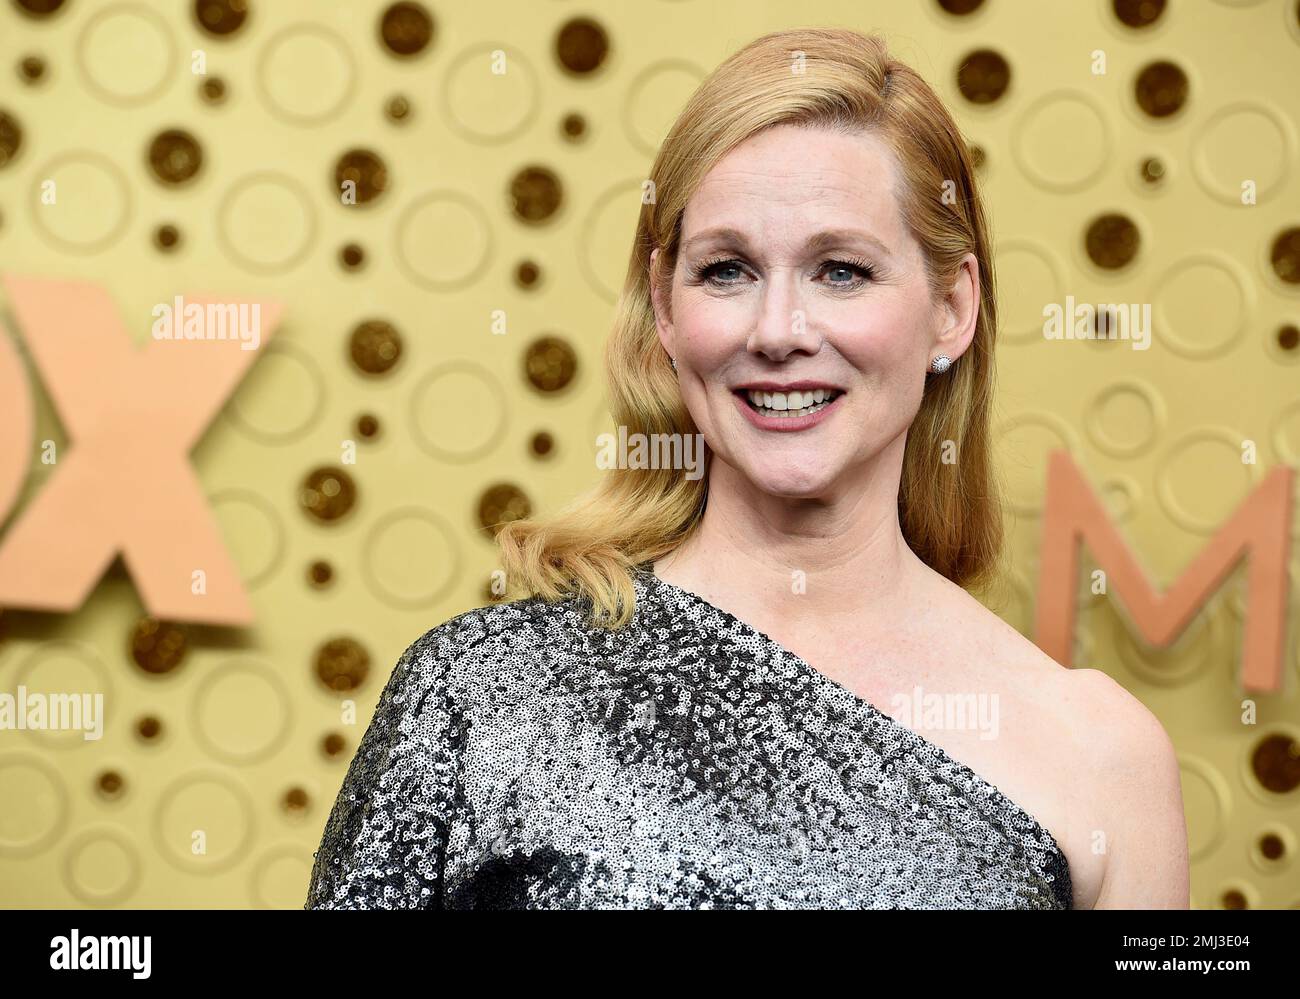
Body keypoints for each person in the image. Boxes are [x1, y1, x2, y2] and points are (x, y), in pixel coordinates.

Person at [306, 26, 1189, 910]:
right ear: (665, 307)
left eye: (841, 271)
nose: (777, 330)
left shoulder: (1102, 755)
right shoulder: (482, 691)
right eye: (726, 270)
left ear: (952, 309)